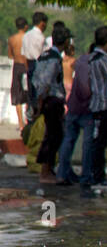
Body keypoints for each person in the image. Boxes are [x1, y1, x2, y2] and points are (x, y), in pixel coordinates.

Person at [60, 26, 107, 196]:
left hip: (90, 106)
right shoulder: (102, 59)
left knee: (90, 143)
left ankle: (89, 176)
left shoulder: (87, 59)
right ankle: (97, 178)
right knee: (98, 144)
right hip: (103, 105)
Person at [29, 22, 71, 185]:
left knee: (53, 135)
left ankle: (49, 169)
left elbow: (34, 78)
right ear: (65, 41)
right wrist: (40, 102)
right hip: (51, 100)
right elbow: (46, 82)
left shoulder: (44, 55)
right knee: (53, 136)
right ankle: (45, 172)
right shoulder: (54, 58)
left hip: (46, 99)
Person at [8, 17, 29, 126]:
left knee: (17, 95)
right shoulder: (28, 38)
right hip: (27, 66)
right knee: (28, 93)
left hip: (17, 66)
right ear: (25, 26)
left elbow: (10, 55)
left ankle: (21, 124)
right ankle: (27, 120)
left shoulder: (12, 39)